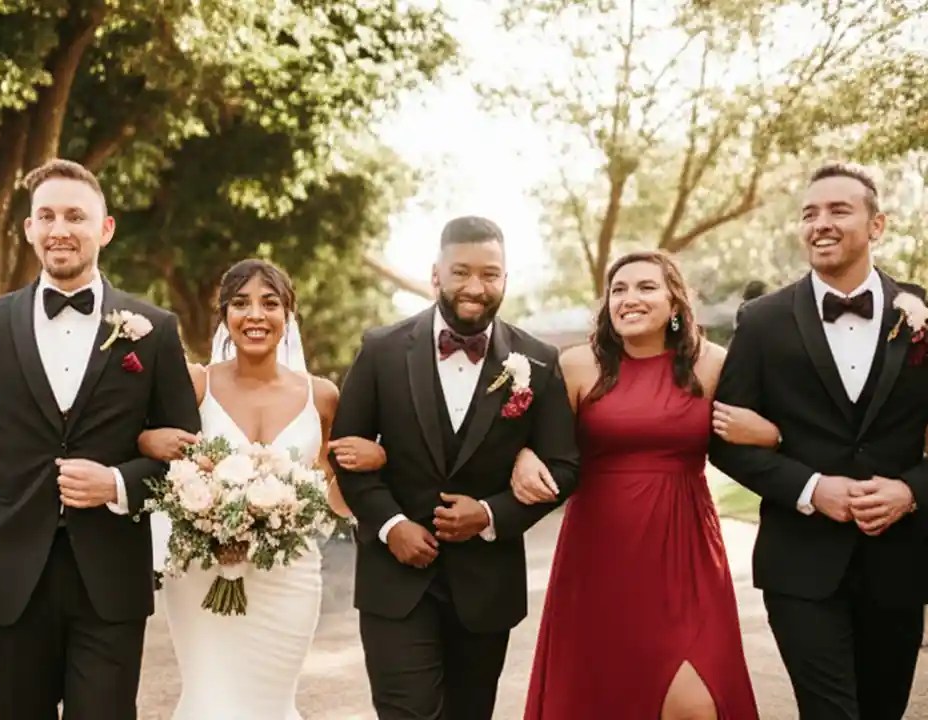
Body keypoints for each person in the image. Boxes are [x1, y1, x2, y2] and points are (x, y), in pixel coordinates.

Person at [0, 158, 201, 719]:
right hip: (7, 575)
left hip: (110, 577)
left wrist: (119, 484)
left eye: (76, 216)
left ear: (105, 228)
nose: (60, 229)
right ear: (28, 229)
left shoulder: (154, 329)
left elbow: (187, 461)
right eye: (46, 216)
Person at [331, 216, 580, 719]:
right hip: (395, 580)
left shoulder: (538, 361)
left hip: (485, 586)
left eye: (490, 274)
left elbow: (564, 467)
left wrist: (490, 516)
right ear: (436, 275)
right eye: (461, 272)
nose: (475, 287)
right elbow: (348, 453)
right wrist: (392, 526)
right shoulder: (382, 349)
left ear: (506, 280)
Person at [710, 163, 928, 720]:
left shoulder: (921, 310)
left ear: (876, 225)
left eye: (838, 210)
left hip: (899, 562)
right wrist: (810, 488)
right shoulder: (761, 322)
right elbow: (727, 439)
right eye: (809, 213)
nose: (820, 224)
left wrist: (910, 491)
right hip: (801, 565)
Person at [520, 250, 767, 719]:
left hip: (686, 548)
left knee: (699, 704)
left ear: (676, 303)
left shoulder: (713, 363)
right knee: (599, 696)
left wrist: (771, 434)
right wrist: (524, 454)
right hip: (598, 550)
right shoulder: (576, 366)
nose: (630, 299)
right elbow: (543, 444)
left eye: (646, 287)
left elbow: (750, 437)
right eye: (619, 290)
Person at [136, 259, 384, 719]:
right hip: (201, 574)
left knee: (270, 700)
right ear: (224, 317)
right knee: (209, 695)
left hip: (288, 576)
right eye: (240, 304)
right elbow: (146, 443)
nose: (255, 315)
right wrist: (151, 441)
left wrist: (374, 459)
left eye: (270, 304)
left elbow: (336, 490)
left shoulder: (323, 396)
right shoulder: (195, 384)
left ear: (288, 316)